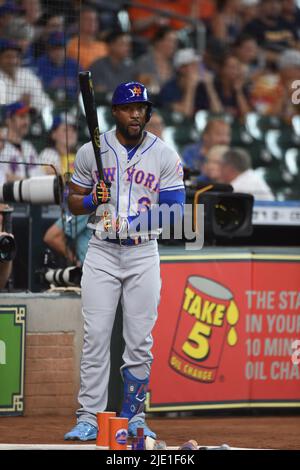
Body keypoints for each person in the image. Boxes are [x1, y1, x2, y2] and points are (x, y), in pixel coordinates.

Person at [64, 81, 185, 441]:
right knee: (96, 337)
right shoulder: (91, 152)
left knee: (139, 340)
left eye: (142, 108)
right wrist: (91, 201)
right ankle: (88, 417)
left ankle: (133, 416)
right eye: (129, 108)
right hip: (101, 250)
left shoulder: (163, 154)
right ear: (115, 112)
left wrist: (134, 222)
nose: (137, 114)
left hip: (143, 252)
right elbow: (73, 200)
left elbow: (176, 209)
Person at [158, 48, 223, 119]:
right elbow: (186, 114)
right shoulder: (168, 89)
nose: (199, 69)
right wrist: (190, 88)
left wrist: (209, 87)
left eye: (200, 66)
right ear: (182, 69)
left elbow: (218, 113)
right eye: (193, 65)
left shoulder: (201, 87)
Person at [0, 39, 53, 114]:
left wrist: (29, 105)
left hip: (33, 119)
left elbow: (46, 103)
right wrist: (20, 104)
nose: (13, 61)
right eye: (8, 57)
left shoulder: (28, 75)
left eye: (16, 57)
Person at [0, 101, 41, 181]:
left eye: (27, 117)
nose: (26, 122)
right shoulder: (1, 146)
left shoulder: (29, 147)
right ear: (8, 120)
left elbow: (39, 175)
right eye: (22, 117)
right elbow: (4, 178)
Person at [35, 31, 80, 104]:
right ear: (48, 49)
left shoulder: (74, 65)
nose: (58, 52)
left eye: (61, 48)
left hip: (72, 104)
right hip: (48, 103)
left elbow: (83, 88)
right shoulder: (40, 64)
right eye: (55, 48)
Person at [135, 27, 178, 95]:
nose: (173, 45)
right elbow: (141, 86)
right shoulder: (144, 61)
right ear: (158, 42)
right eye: (170, 41)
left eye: (175, 42)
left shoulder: (174, 64)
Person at [67, 6, 107, 70]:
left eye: (95, 20)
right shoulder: (70, 45)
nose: (92, 23)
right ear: (78, 22)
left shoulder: (104, 46)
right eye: (88, 19)